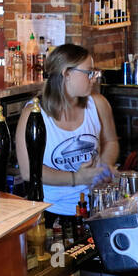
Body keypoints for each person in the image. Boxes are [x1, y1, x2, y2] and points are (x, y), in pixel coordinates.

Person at [16, 43, 120, 225]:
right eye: (89, 72)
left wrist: (103, 167)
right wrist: (77, 178)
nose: (94, 78)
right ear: (67, 74)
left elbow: (110, 141)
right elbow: (28, 171)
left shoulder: (98, 104)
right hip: (51, 212)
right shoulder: (33, 115)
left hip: (96, 207)